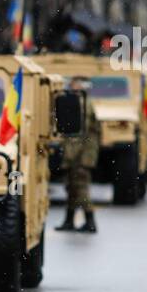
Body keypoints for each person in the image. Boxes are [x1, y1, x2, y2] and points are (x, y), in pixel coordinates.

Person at [57, 77, 101, 233]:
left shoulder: (84, 105)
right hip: (76, 153)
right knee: (72, 188)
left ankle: (90, 220)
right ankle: (69, 220)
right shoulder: (79, 103)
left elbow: (81, 134)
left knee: (81, 188)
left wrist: (70, 156)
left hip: (81, 155)